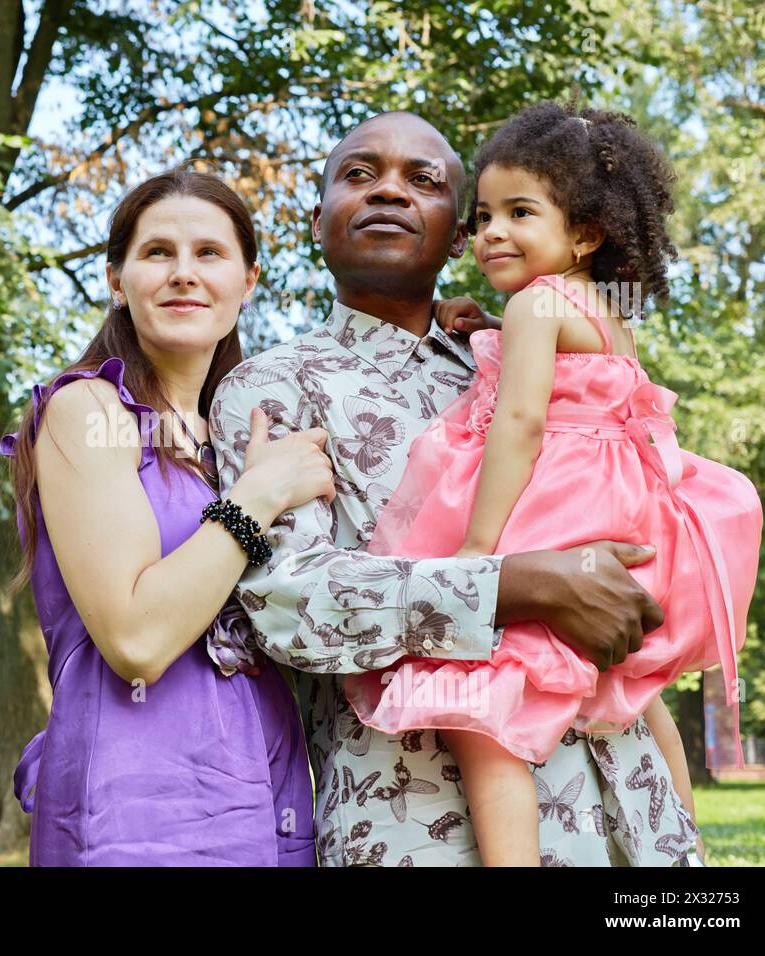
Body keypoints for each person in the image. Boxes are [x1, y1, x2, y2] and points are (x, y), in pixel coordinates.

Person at [209, 110, 705, 866]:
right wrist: (509, 583)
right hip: (422, 819)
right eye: (359, 174)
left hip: (626, 810)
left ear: (456, 235)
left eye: (424, 180)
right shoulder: (273, 388)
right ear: (317, 222)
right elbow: (291, 605)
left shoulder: (506, 361)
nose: (389, 192)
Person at [343, 103, 763, 866]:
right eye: (483, 217)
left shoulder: (536, 303)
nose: (492, 232)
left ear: (584, 233)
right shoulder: (597, 307)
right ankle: (683, 841)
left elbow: (522, 424)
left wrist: (477, 550)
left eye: (520, 213)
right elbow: (586, 387)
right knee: (626, 690)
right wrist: (479, 329)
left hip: (556, 500)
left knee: (486, 688)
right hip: (619, 499)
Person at [0, 167, 334, 865]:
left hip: (266, 786)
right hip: (138, 799)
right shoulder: (89, 412)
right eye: (157, 253)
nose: (184, 273)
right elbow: (137, 640)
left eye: (210, 253)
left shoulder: (245, 435)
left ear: (248, 281)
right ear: (117, 280)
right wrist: (258, 498)